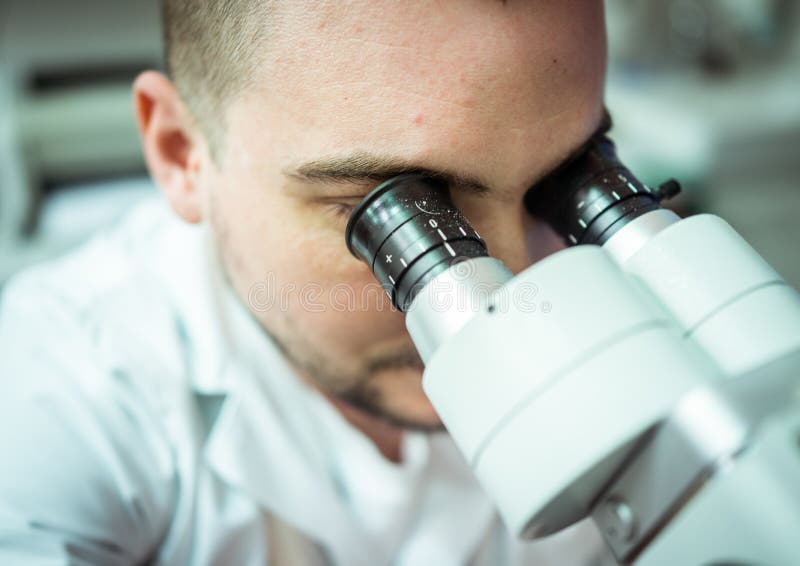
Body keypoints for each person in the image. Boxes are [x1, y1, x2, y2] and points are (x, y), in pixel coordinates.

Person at [0, 1, 618, 564]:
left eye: (560, 183)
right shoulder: (62, 384)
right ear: (182, 152)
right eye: (405, 222)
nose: (514, 289)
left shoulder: (605, 296)